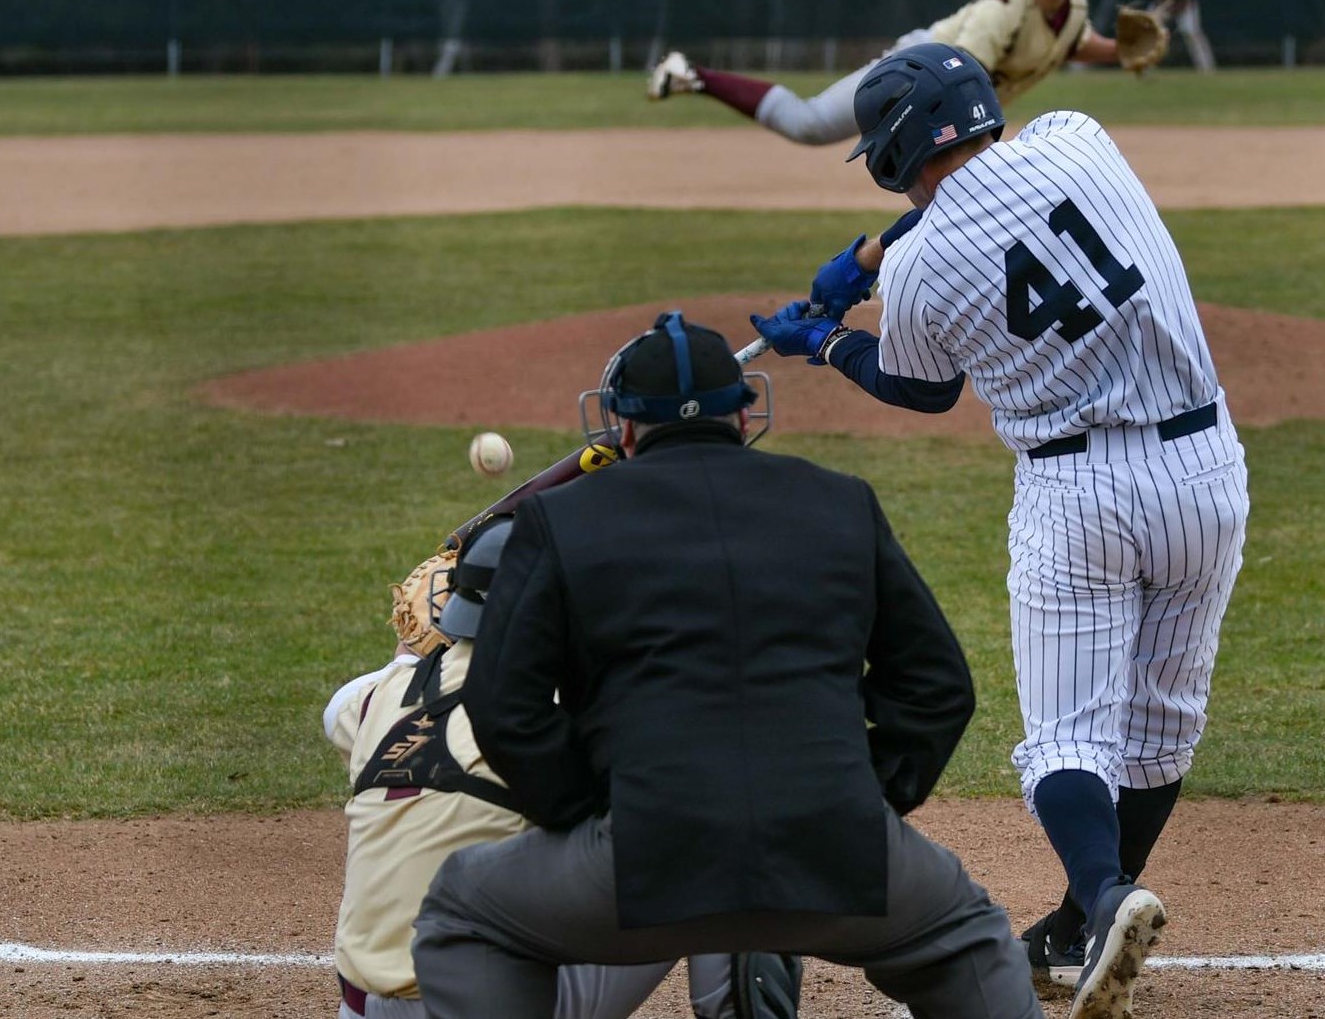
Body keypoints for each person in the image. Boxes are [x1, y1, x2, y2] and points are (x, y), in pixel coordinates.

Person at [748, 41, 1250, 1019]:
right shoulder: (1080, 139)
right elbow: (986, 199)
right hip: (1203, 470)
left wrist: (830, 336)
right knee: (1160, 723)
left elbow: (921, 389)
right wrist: (867, 255)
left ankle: (1102, 902)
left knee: (1065, 736)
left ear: (893, 148)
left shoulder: (925, 265)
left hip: (1078, 494)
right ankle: (1075, 926)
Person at [409, 312, 1042, 1019]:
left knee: (462, 913)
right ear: (744, 415)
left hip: (639, 867)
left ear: (620, 426)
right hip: (838, 855)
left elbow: (503, 708)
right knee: (965, 934)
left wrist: (584, 811)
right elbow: (936, 689)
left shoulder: (558, 521)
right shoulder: (841, 504)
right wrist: (866, 800)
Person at [325, 533, 788, 1019]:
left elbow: (337, 708)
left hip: (362, 1009)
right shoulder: (568, 701)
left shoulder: (383, 696)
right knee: (728, 835)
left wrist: (406, 652)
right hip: (486, 1004)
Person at [647, 0, 1159, 145]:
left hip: (949, 93)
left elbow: (1072, 42)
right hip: (915, 73)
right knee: (809, 125)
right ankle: (693, 75)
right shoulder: (1004, 7)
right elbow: (964, 76)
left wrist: (1118, 51)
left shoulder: (1075, 9)